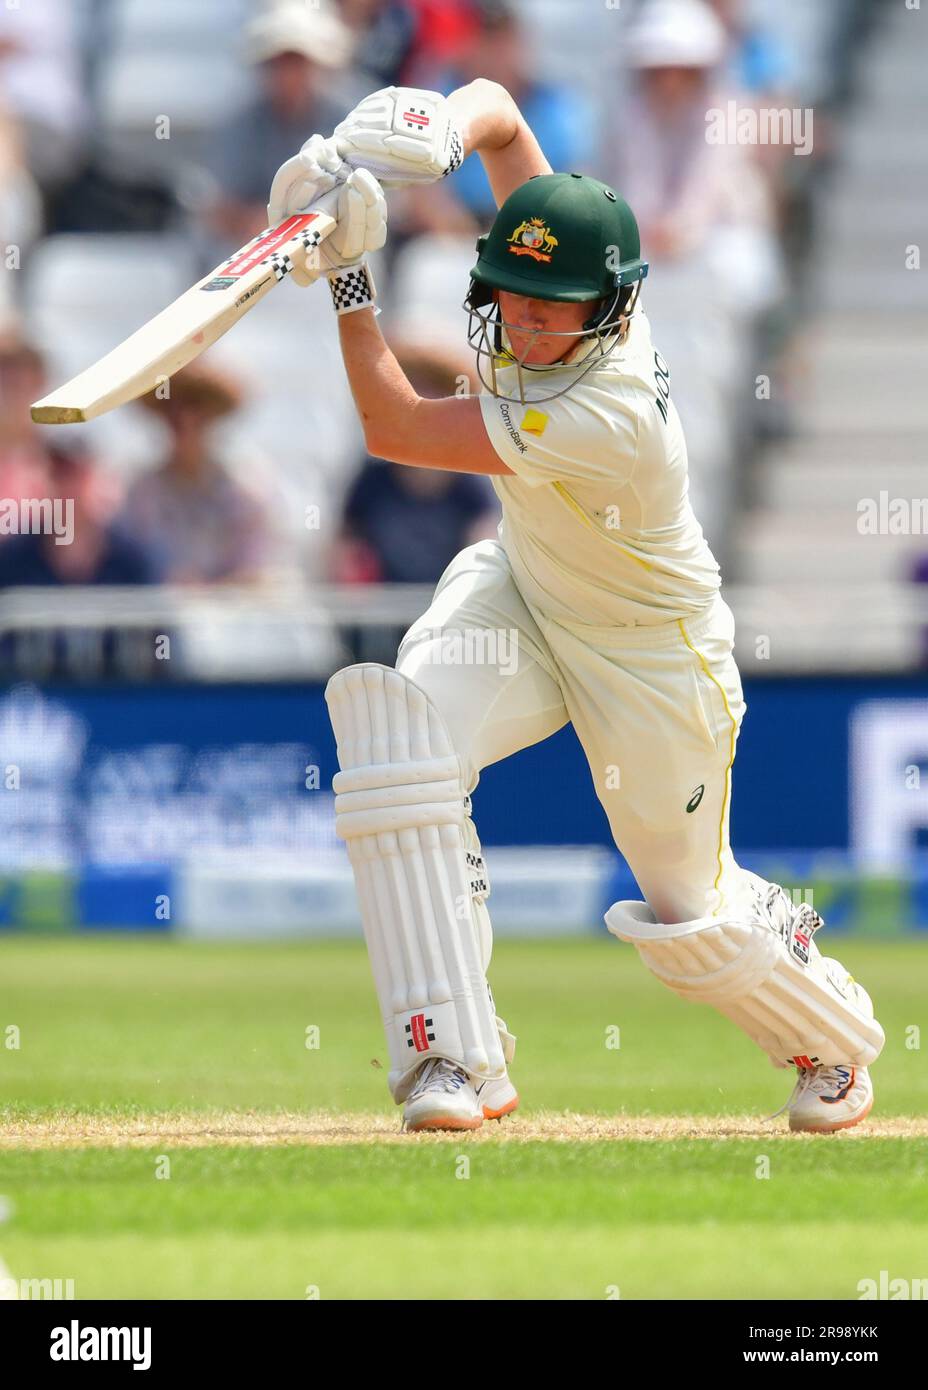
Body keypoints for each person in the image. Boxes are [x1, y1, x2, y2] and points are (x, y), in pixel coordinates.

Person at [266, 80, 884, 1134]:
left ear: (611, 308)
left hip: (650, 651)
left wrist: (344, 274)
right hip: (523, 589)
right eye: (510, 295)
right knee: (398, 747)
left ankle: (832, 1040)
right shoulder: (545, 281)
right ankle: (452, 1061)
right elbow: (502, 113)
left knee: (691, 915)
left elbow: (397, 427)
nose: (527, 324)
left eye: (553, 310)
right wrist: (441, 132)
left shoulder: (606, 412)